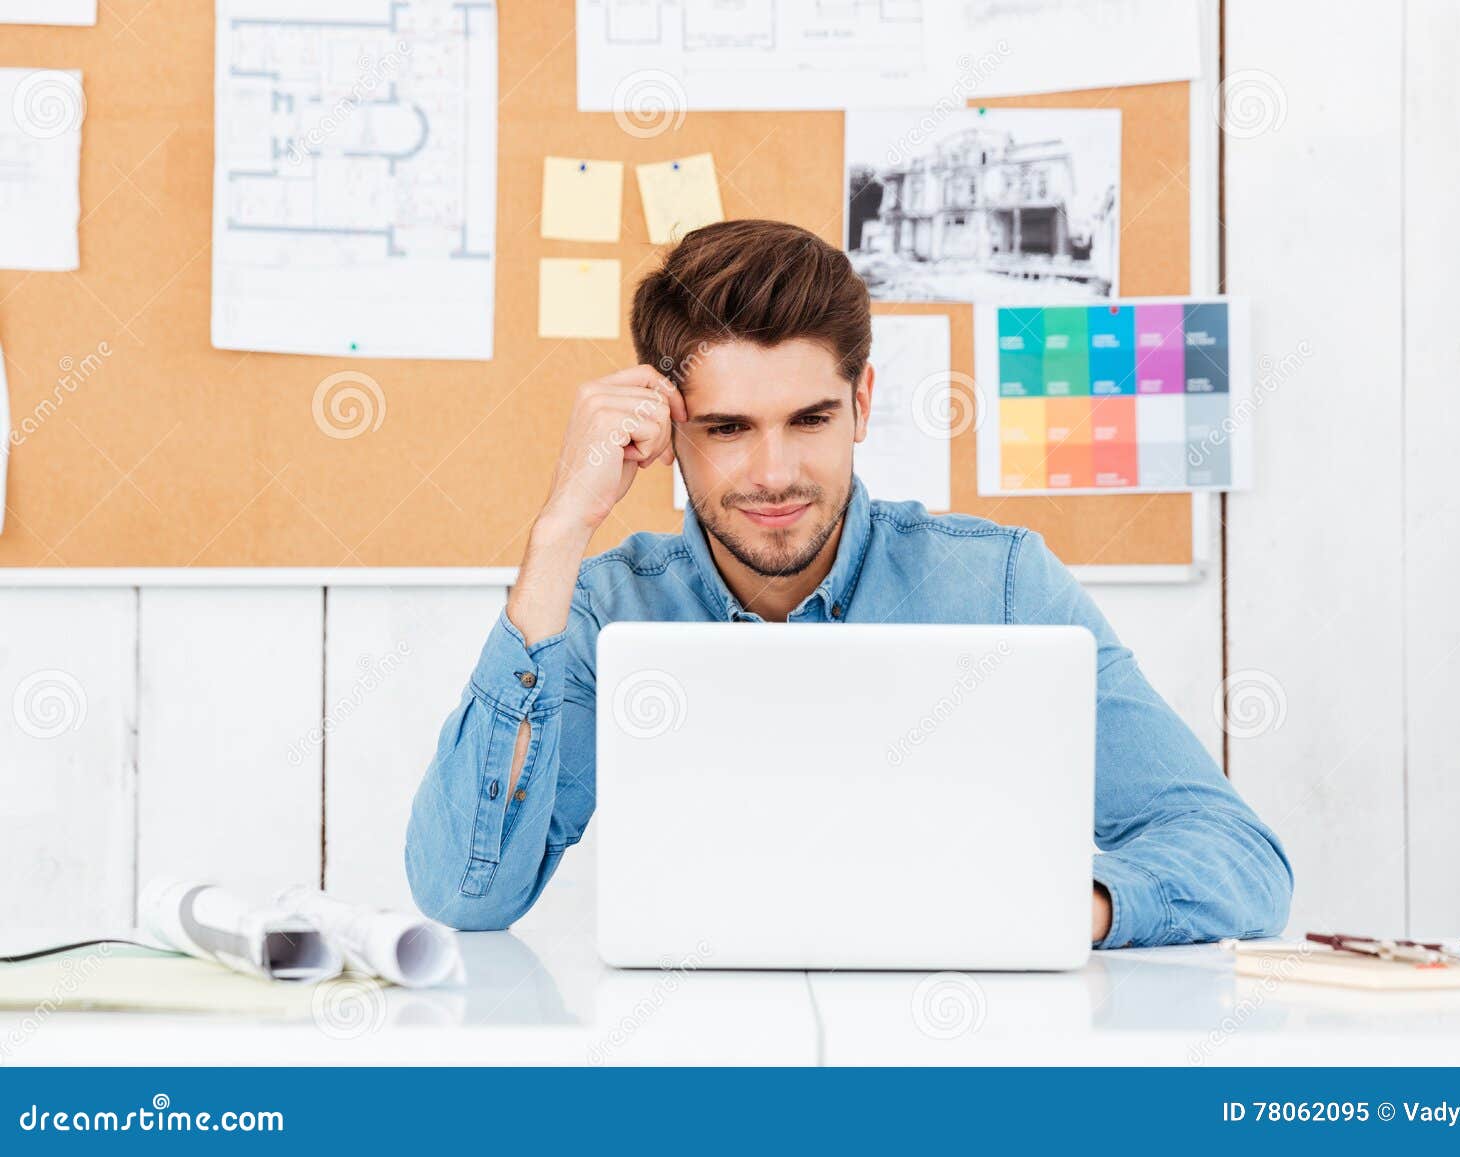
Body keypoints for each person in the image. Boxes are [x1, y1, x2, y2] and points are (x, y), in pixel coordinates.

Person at [405, 219, 1292, 947]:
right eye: (726, 428)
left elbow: (1239, 860)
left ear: (862, 402)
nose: (775, 473)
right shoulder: (609, 608)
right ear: (668, 428)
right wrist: (562, 526)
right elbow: (466, 893)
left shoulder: (1002, 586)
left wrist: (1066, 907)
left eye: (811, 418)